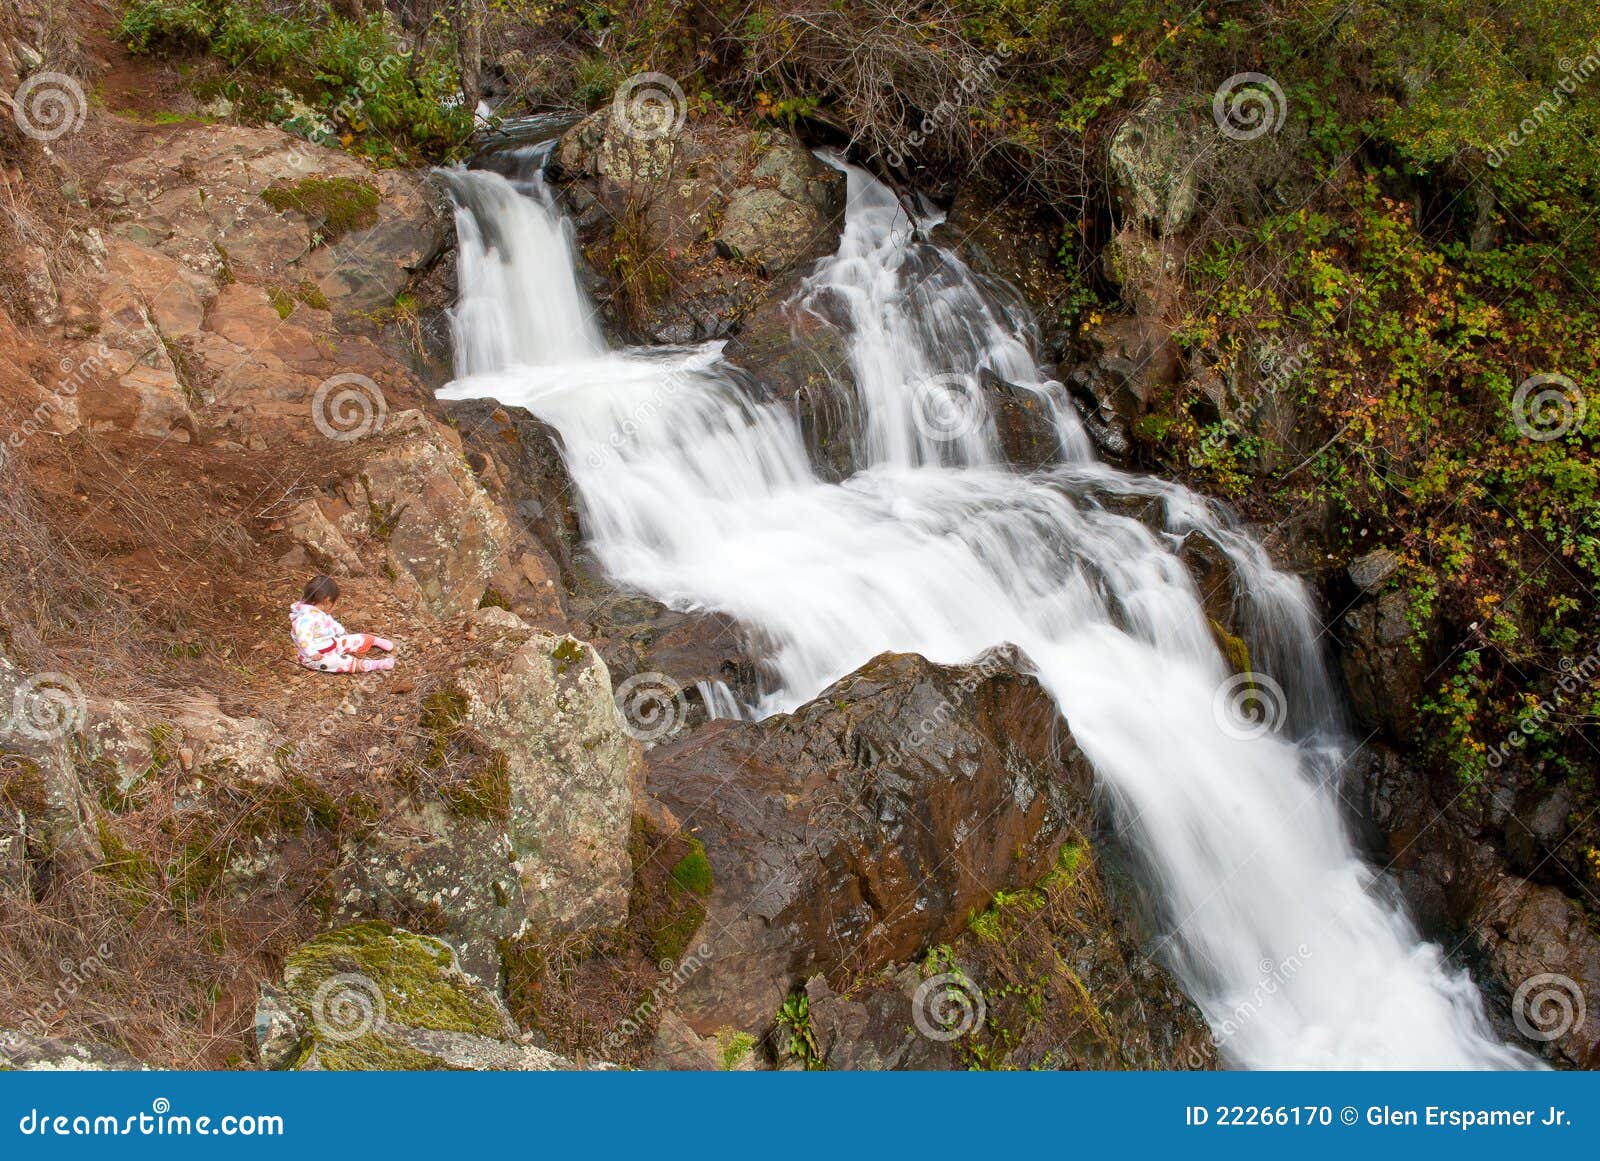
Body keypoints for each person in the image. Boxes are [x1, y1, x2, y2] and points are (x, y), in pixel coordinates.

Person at [289, 576, 396, 674]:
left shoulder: (316, 612)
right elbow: (303, 638)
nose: (336, 605)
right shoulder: (304, 619)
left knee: (353, 639)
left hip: (331, 643)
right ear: (327, 601)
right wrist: (312, 653)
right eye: (335, 603)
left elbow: (329, 623)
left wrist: (340, 631)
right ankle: (373, 665)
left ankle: (372, 640)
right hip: (315, 657)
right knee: (342, 662)